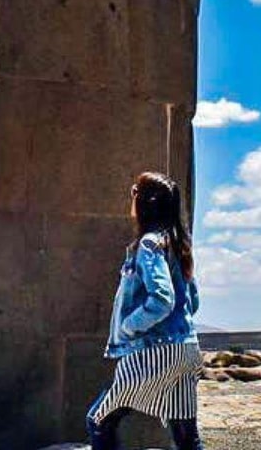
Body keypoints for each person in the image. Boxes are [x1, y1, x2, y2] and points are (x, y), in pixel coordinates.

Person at [86, 172, 203, 450]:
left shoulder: (149, 244)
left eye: (134, 191)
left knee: (99, 419)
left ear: (145, 202)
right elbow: (193, 301)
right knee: (186, 434)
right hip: (187, 349)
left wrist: (129, 326)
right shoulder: (177, 244)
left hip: (155, 350)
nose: (131, 197)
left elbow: (163, 298)